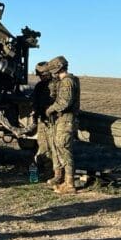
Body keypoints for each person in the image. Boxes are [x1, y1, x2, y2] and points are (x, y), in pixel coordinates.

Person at [44, 56, 81, 194]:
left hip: (66, 120)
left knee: (64, 149)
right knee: (60, 148)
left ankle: (69, 184)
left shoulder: (67, 82)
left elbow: (65, 102)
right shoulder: (70, 80)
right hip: (64, 120)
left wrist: (51, 109)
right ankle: (64, 180)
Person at [32, 60, 61, 186]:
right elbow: (35, 102)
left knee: (54, 148)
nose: (41, 77)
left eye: (43, 74)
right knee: (43, 147)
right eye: (40, 75)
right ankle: (46, 172)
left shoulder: (57, 85)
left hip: (54, 121)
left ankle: (56, 174)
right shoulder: (39, 86)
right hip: (42, 121)